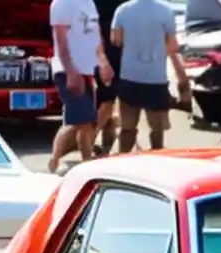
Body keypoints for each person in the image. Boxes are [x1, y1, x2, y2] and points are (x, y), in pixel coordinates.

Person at [111, 0, 190, 153]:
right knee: (157, 128)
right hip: (155, 77)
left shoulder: (123, 9)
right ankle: (155, 158)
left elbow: (116, 40)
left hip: (130, 74)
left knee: (127, 127)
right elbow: (173, 45)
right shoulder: (165, 10)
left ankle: (122, 159)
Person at [47, 0, 115, 174]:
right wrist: (71, 72)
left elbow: (95, 34)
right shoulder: (60, 4)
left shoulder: (89, 3)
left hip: (88, 70)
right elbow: (61, 41)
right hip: (67, 70)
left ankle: (87, 163)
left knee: (87, 122)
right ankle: (54, 161)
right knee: (77, 121)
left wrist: (103, 62)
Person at [94, 0, 125, 156]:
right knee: (107, 101)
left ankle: (105, 146)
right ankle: (89, 140)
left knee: (108, 101)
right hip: (108, 54)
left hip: (105, 53)